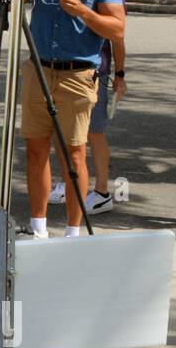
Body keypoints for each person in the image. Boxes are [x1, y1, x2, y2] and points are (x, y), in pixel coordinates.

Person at [21, 0, 125, 239]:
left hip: (77, 73)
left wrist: (84, 12)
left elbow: (116, 29)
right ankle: (38, 228)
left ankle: (72, 231)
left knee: (74, 152)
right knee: (36, 149)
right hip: (39, 69)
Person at [49, 35, 127, 214]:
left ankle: (102, 193)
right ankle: (67, 184)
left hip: (94, 70)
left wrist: (120, 75)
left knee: (93, 131)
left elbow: (117, 35)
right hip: (60, 66)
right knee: (60, 130)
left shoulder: (107, 5)